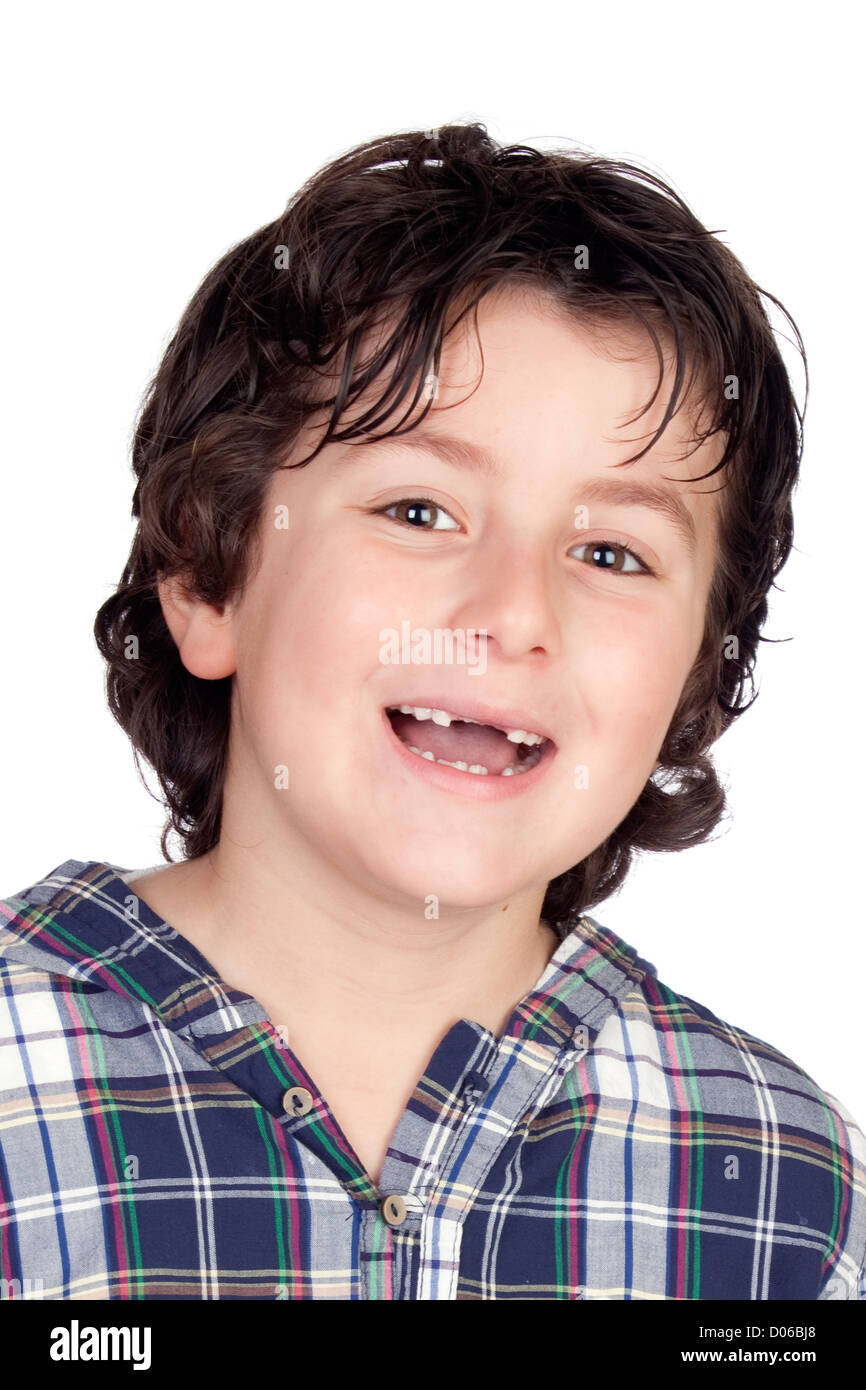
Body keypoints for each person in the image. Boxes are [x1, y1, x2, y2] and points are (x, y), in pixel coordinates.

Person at [1, 124, 863, 1301]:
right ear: (209, 579)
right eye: (417, 511)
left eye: (611, 551)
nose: (514, 612)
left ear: (687, 681)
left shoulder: (779, 1184)